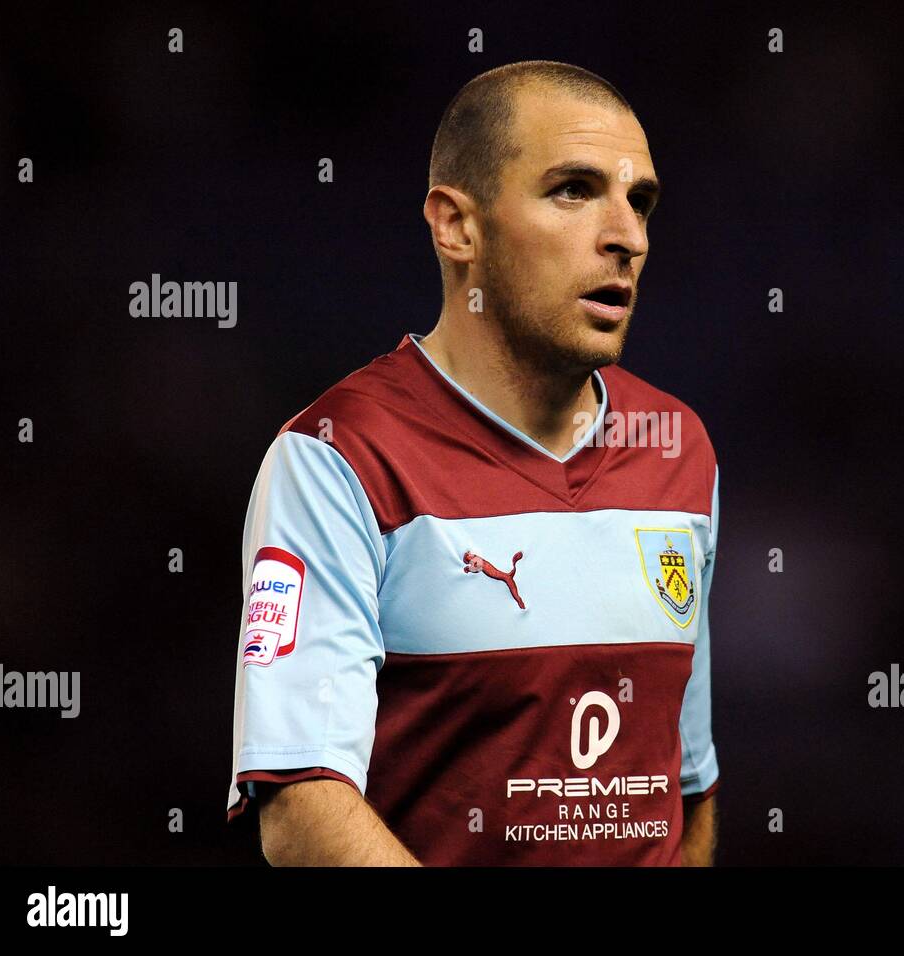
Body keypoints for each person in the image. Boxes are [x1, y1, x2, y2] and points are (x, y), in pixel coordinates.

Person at [226, 60, 720, 865]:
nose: (627, 235)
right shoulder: (338, 459)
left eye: (640, 202)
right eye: (573, 190)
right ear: (458, 226)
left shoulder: (680, 448)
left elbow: (688, 787)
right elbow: (303, 810)